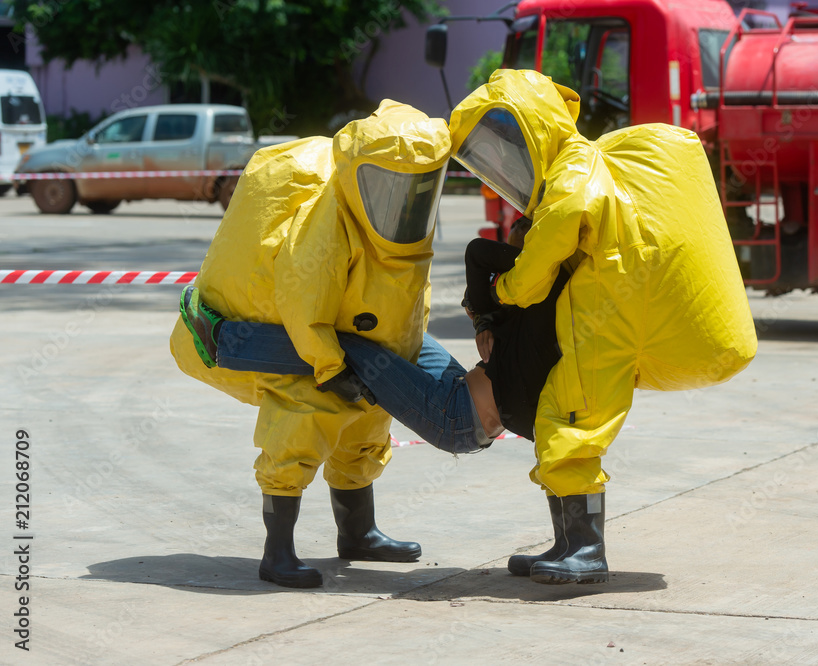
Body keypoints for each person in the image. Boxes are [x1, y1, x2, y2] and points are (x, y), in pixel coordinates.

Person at [447, 69, 759, 584]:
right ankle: (567, 544)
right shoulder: (575, 166)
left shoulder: (572, 172)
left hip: (603, 323)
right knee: (558, 418)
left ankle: (587, 550)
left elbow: (543, 256)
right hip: (598, 316)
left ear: (535, 127)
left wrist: (504, 294)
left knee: (570, 423)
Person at [168, 100, 451, 589]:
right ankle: (277, 553)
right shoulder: (331, 222)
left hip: (378, 354)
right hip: (315, 359)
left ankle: (358, 534)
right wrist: (330, 366)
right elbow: (304, 302)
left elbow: (411, 295)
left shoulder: (409, 227)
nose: (405, 194)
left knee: (365, 436)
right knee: (298, 433)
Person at [178, 217, 564, 454]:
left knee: (340, 347)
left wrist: (486, 314)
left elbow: (480, 252)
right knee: (396, 334)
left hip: (456, 418)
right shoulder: (537, 296)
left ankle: (222, 342)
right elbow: (481, 260)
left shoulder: (552, 284)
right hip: (457, 386)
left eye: (521, 234)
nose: (514, 234)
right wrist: (484, 320)